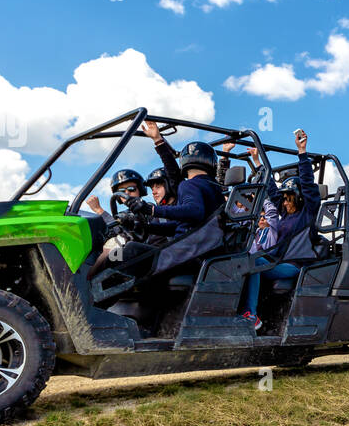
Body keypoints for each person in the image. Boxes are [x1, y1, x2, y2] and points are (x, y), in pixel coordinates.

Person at [238, 129, 322, 331]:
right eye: (283, 198)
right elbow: (272, 189)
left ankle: (252, 316)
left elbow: (309, 186)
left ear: (298, 197)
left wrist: (302, 152)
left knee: (255, 261)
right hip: (277, 261)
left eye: (288, 197)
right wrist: (258, 162)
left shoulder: (307, 214)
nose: (284, 201)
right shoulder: (284, 214)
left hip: (294, 265)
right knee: (243, 258)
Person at [128, 131, 225, 242]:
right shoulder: (215, 189)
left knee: (129, 251)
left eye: (158, 186)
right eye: (152, 188)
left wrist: (151, 209)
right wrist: (145, 227)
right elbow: (178, 225)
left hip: (188, 250)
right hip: (203, 246)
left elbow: (194, 211)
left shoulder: (188, 185)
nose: (154, 191)